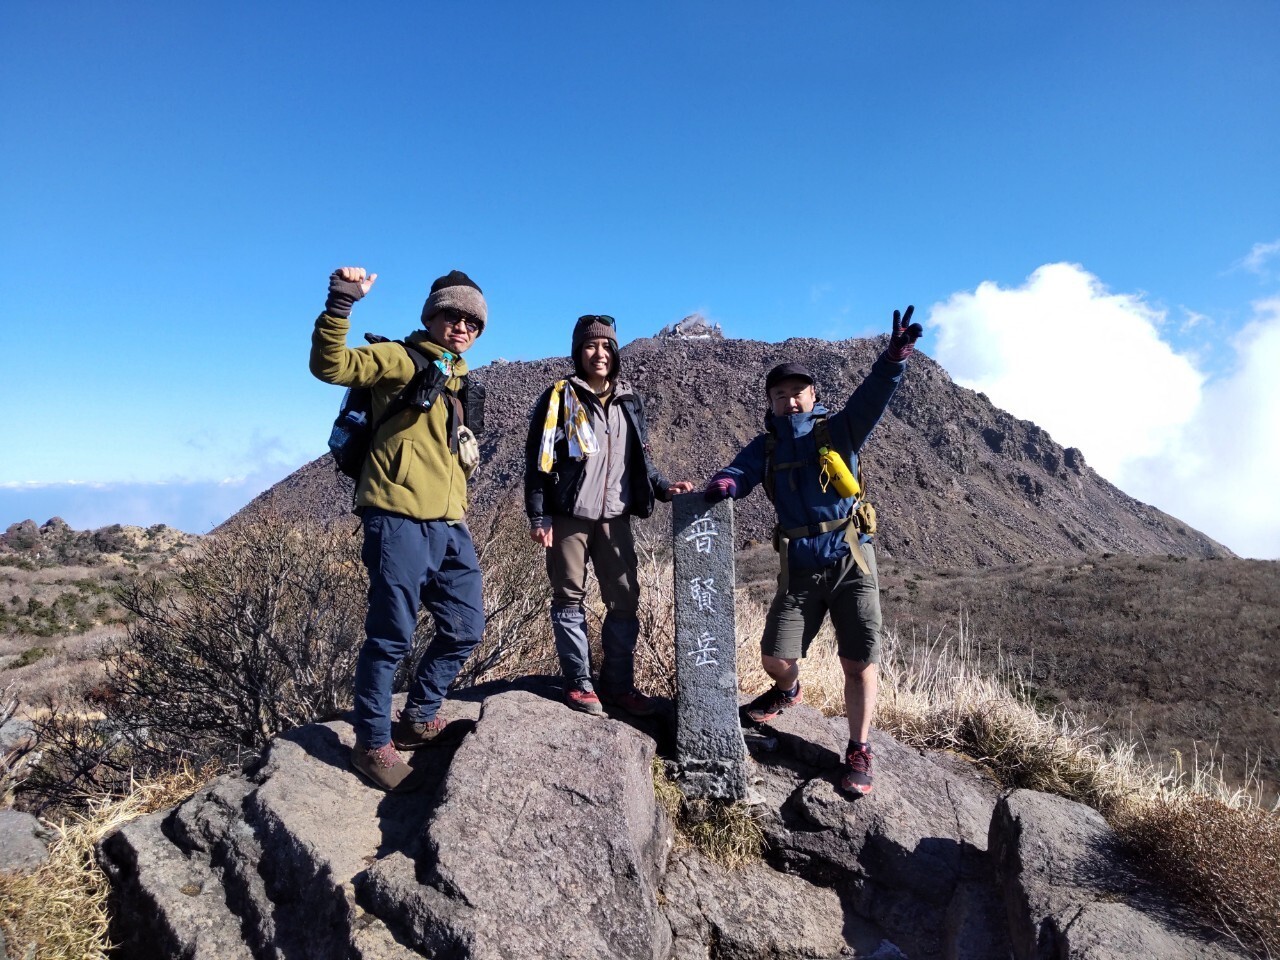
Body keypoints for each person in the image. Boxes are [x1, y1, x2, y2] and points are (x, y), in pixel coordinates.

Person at [703, 307, 922, 795]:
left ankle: (859, 747)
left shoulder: (839, 432)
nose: (790, 401)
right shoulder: (766, 448)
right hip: (799, 568)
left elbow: (872, 398)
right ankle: (788, 691)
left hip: (849, 560)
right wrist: (725, 484)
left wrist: (892, 360)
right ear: (770, 403)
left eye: (797, 392)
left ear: (813, 395)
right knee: (774, 656)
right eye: (779, 395)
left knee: (857, 662)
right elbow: (739, 472)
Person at [310, 266, 488, 791]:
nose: (462, 326)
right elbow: (330, 365)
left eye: (472, 321)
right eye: (452, 315)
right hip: (397, 518)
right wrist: (342, 302)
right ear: (430, 317)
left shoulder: (459, 379)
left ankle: (417, 719)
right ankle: (371, 744)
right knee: (390, 637)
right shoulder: (398, 358)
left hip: (449, 522)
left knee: (465, 626)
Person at [525, 315, 693, 717]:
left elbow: (641, 457)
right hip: (569, 515)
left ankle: (618, 686)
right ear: (578, 352)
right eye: (590, 346)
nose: (598, 354)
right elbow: (537, 460)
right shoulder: (559, 397)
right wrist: (538, 515)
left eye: (606, 346)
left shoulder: (628, 400)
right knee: (568, 596)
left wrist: (663, 487)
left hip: (615, 517)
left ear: (615, 352)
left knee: (624, 598)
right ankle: (579, 683)